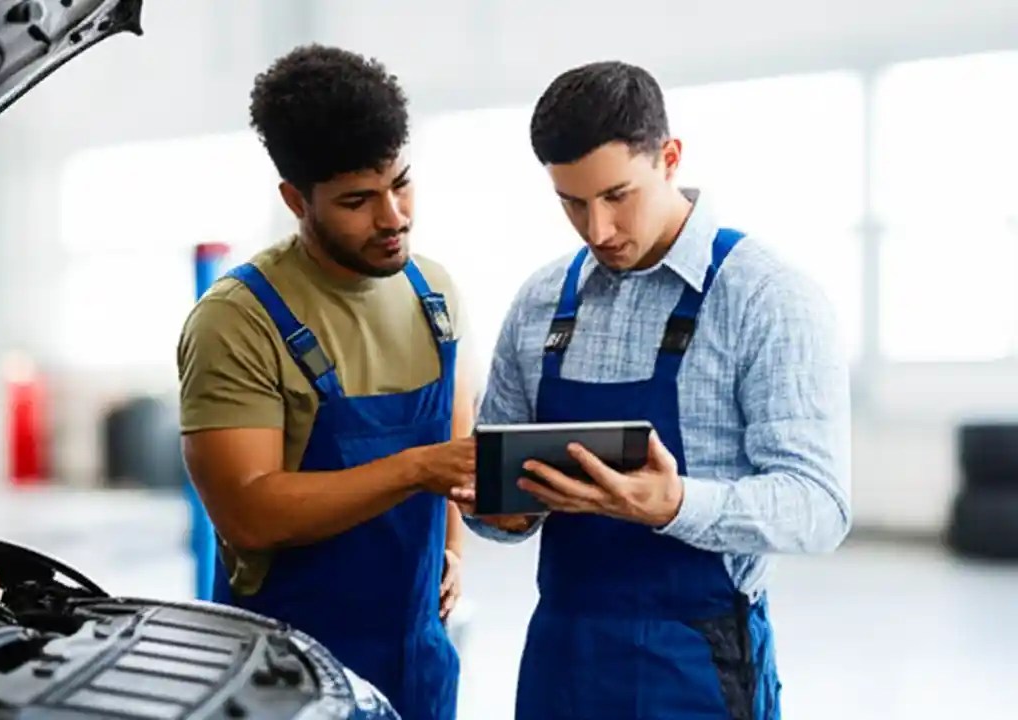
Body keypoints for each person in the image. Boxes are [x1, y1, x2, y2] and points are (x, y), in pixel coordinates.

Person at [464, 60, 853, 719]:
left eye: (618, 195)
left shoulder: (766, 297)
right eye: (572, 203)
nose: (597, 229)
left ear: (669, 158)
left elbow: (819, 507)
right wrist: (500, 512)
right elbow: (496, 499)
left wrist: (675, 504)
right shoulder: (540, 303)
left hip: (697, 665)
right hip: (561, 660)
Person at [176, 44, 475, 720]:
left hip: (418, 663)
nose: (393, 217)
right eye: (356, 201)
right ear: (295, 199)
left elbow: (456, 456)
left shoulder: (434, 294)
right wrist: (415, 468)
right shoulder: (238, 320)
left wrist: (454, 549)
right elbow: (249, 513)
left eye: (401, 183)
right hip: (288, 677)